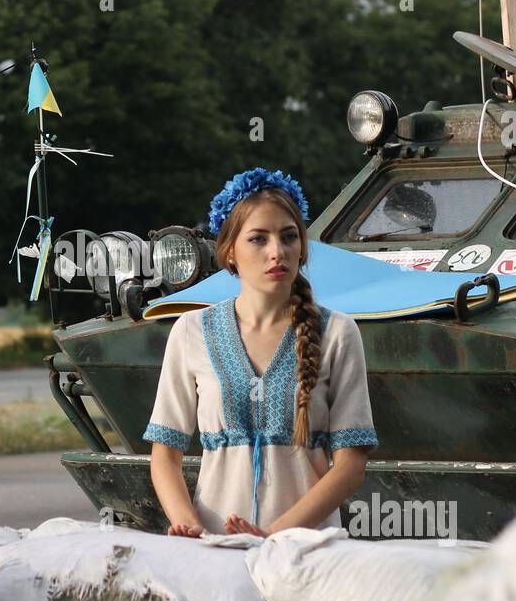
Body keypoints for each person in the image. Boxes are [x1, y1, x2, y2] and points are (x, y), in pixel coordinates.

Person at [143, 168, 377, 537]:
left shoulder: (337, 332)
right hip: (215, 548)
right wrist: (186, 524)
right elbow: (165, 453)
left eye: (288, 237)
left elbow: (351, 465)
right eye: (258, 239)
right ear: (230, 252)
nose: (277, 252)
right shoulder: (191, 332)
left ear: (302, 247)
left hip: (307, 551)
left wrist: (272, 536)